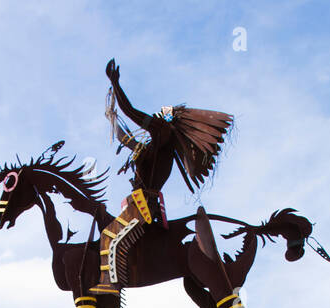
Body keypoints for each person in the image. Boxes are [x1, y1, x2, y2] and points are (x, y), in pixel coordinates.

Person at [89, 59, 235, 296]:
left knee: (109, 236)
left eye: (158, 118)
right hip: (141, 200)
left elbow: (132, 112)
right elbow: (128, 141)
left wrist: (116, 85)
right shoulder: (154, 148)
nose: (153, 119)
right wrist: (113, 120)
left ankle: (109, 284)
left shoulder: (162, 133)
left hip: (144, 203)